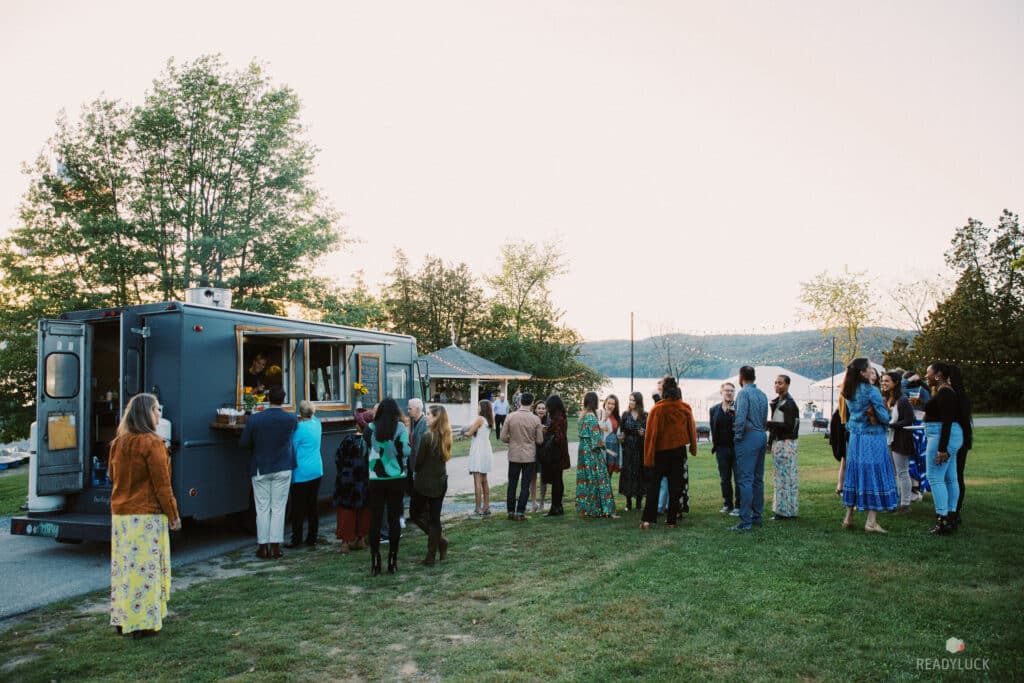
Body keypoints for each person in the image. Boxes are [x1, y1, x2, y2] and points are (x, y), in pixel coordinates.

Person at [109, 393, 181, 638]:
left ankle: (122, 619)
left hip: (121, 516)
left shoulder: (118, 443)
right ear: (146, 414)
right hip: (146, 514)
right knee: (146, 571)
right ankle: (144, 622)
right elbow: (162, 484)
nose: (159, 415)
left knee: (124, 570)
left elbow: (112, 476)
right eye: (156, 410)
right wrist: (173, 514)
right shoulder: (153, 443)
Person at [239, 385, 297, 558]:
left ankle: (263, 547)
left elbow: (244, 443)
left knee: (262, 508)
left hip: (260, 467)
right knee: (279, 508)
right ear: (283, 400)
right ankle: (276, 546)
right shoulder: (291, 419)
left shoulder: (255, 419)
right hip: (283, 466)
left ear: (267, 399)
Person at [840, 358, 898, 533]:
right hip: (872, 437)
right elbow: (884, 417)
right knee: (874, 473)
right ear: (862, 372)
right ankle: (871, 522)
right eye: (870, 369)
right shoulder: (871, 391)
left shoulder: (848, 390)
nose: (872, 371)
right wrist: (886, 414)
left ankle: (848, 517)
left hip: (856, 437)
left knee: (855, 473)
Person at [641, 376, 696, 529]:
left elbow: (650, 436)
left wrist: (648, 457)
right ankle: (671, 520)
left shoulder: (657, 408)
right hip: (679, 452)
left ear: (663, 390)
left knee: (653, 486)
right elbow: (691, 429)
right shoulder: (685, 407)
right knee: (675, 487)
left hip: (660, 452)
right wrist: (693, 448)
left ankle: (647, 519)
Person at [364, 398, 411, 574]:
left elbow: (364, 450)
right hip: (396, 478)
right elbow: (406, 451)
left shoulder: (370, 429)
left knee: (375, 520)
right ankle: (393, 559)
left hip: (375, 479)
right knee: (393, 519)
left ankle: (375, 560)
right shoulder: (400, 428)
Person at [923, 362, 970, 535]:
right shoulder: (945, 391)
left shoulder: (945, 392)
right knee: (950, 477)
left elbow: (947, 422)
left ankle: (942, 519)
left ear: (938, 374)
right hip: (946, 435)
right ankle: (950, 517)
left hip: (942, 436)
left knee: (935, 477)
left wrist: (942, 448)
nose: (925, 376)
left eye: (928, 373)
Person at [730, 366, 768, 532]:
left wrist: (737, 437)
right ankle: (757, 516)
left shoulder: (743, 393)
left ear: (741, 377)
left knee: (745, 479)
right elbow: (765, 417)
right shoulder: (763, 394)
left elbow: (740, 418)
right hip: (761, 435)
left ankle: (745, 521)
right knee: (758, 479)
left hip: (748, 436)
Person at [413, 405, 451, 565]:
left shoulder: (428, 437)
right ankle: (436, 547)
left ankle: (437, 546)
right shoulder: (446, 435)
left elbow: (418, 461)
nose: (426, 416)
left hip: (424, 483)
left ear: (436, 417)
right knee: (434, 519)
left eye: (429, 414)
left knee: (416, 514)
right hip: (440, 482)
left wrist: (415, 470)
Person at [500, 392, 544, 520]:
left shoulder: (510, 416)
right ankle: (520, 512)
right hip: (529, 456)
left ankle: (510, 511)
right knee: (525, 484)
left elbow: (503, 437)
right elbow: (540, 440)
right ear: (531, 403)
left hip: (514, 454)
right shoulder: (536, 419)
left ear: (520, 401)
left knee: (512, 484)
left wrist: (513, 441)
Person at [334, 410, 371, 554]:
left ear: (357, 424)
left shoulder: (348, 440)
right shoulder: (370, 442)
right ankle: (360, 539)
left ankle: (345, 542)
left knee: (346, 512)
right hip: (364, 480)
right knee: (364, 510)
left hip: (347, 480)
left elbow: (338, 459)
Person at [287, 400, 323, 548]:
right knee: (312, 505)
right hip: (316, 469)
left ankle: (297, 539)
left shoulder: (299, 429)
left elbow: (292, 448)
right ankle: (312, 538)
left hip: (301, 471)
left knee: (298, 507)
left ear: (300, 413)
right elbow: (312, 416)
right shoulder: (317, 424)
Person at [576, 391, 616, 518]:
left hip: (583, 451)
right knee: (599, 478)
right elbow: (596, 439)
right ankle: (599, 508)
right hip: (592, 452)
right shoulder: (591, 417)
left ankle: (587, 507)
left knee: (586, 478)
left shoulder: (582, 416)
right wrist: (607, 450)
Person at [881, 371, 915, 513]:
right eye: (882, 381)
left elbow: (909, 419)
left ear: (895, 382)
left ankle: (905, 503)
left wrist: (890, 425)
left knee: (902, 472)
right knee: (892, 472)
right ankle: (893, 501)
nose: (883, 383)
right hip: (890, 439)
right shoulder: (888, 398)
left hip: (901, 439)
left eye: (887, 381)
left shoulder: (903, 399)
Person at [767, 375, 800, 521]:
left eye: (780, 383)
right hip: (780, 443)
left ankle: (783, 511)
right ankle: (788, 510)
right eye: (775, 383)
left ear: (787, 385)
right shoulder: (779, 402)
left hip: (786, 443)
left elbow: (788, 425)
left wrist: (768, 424)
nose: (777, 385)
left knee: (784, 478)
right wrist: (769, 443)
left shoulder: (789, 404)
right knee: (783, 477)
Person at [709, 382, 740, 516]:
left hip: (737, 448)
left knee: (738, 478)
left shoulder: (739, 408)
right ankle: (727, 504)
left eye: (732, 391)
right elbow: (712, 427)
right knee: (724, 479)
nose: (729, 393)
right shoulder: (714, 409)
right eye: (727, 390)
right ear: (721, 392)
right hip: (721, 449)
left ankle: (739, 506)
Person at [464, 399, 494, 517]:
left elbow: (469, 433)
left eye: (478, 406)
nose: (477, 408)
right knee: (484, 480)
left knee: (477, 480)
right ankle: (486, 507)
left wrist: (463, 431)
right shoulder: (488, 420)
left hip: (478, 450)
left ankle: (478, 508)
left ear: (483, 408)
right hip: (486, 449)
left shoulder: (480, 419)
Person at [618, 392, 647, 512]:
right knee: (628, 473)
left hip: (640, 448)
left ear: (639, 402)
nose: (631, 402)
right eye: (630, 400)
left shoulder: (645, 415)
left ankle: (639, 503)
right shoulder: (625, 415)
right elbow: (622, 431)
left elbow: (648, 431)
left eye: (633, 400)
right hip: (628, 448)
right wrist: (621, 437)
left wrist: (644, 433)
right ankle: (628, 502)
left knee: (640, 473)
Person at [543, 394, 571, 516]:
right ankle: (558, 506)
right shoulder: (562, 416)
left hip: (556, 454)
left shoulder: (557, 418)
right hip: (561, 452)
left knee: (556, 481)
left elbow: (558, 437)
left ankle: (555, 507)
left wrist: (548, 432)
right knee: (558, 480)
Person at [405, 398, 428, 526]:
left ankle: (420, 515)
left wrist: (417, 468)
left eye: (410, 408)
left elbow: (420, 448)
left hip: (419, 467)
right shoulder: (416, 422)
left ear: (418, 409)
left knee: (420, 492)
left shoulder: (423, 424)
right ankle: (417, 514)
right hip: (414, 465)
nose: (408, 411)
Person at [530, 400, 549, 512]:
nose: (541, 410)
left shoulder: (549, 422)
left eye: (543, 408)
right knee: (532, 478)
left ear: (546, 410)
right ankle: (534, 503)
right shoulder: (531, 420)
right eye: (539, 408)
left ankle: (542, 503)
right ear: (535, 410)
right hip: (532, 452)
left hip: (544, 453)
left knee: (543, 479)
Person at [598, 395, 622, 478]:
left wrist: (621, 437)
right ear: (605, 403)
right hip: (604, 447)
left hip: (614, 447)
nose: (611, 406)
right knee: (602, 474)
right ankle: (603, 491)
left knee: (609, 474)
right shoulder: (600, 413)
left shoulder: (617, 417)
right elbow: (598, 428)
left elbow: (619, 433)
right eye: (609, 403)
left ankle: (607, 491)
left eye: (613, 404)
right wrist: (605, 418)